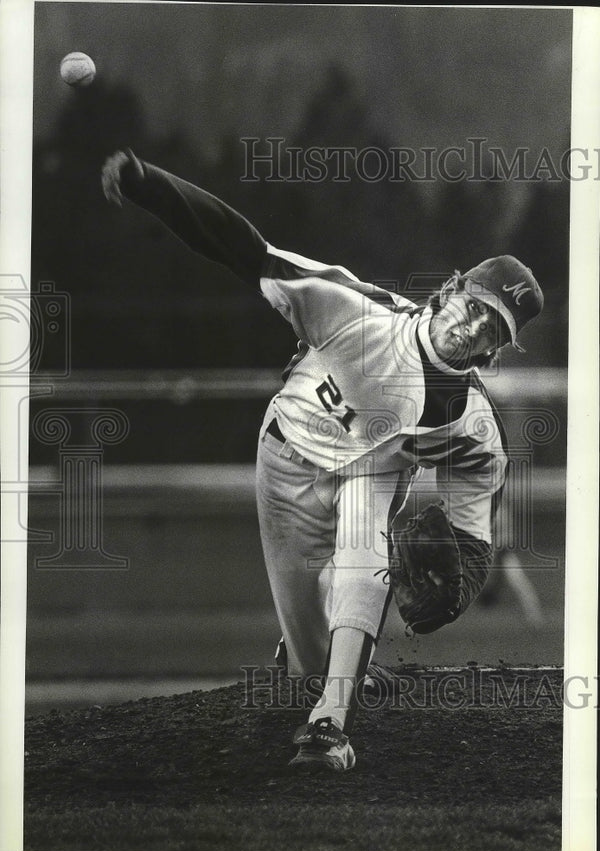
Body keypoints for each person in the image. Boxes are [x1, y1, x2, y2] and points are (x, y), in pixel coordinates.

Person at [101, 149, 543, 773]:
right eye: (473, 308)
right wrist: (152, 185)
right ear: (448, 293)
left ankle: (330, 727)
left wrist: (453, 589)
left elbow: (472, 539)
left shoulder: (474, 426)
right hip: (284, 457)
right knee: (309, 665)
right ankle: (326, 669)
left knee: (365, 556)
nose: (473, 329)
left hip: (371, 474)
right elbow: (243, 247)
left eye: (492, 331)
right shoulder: (354, 309)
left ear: (497, 354)